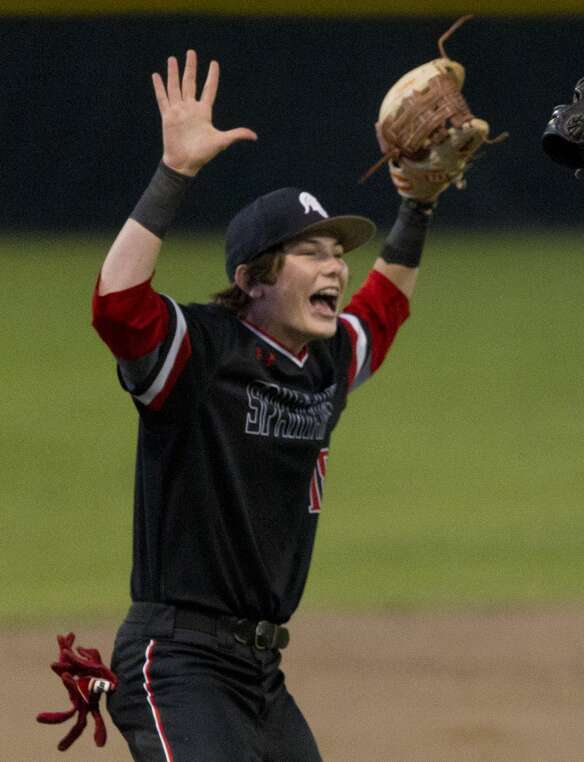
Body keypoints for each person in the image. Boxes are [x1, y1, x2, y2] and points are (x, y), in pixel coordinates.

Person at [87, 50, 440, 759]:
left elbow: (386, 302)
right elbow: (118, 306)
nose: (337, 266)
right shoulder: (200, 353)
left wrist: (419, 203)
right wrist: (174, 173)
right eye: (311, 253)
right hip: (176, 663)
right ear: (252, 280)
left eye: (337, 253)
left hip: (260, 675)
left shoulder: (326, 360)